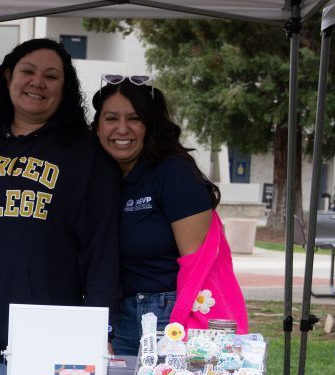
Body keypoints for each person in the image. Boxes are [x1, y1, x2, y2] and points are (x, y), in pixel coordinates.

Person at [0, 38, 122, 375]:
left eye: (51, 76)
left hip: (40, 340)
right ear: (8, 77)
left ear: (64, 87)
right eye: (28, 71)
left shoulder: (84, 155)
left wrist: (97, 329)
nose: (37, 82)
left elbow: (101, 253)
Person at [91, 75, 244, 355]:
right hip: (118, 320)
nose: (122, 128)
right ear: (98, 126)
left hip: (171, 318)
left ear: (150, 125)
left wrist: (180, 331)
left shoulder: (173, 173)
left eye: (134, 118)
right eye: (111, 118)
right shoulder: (98, 176)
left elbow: (198, 266)